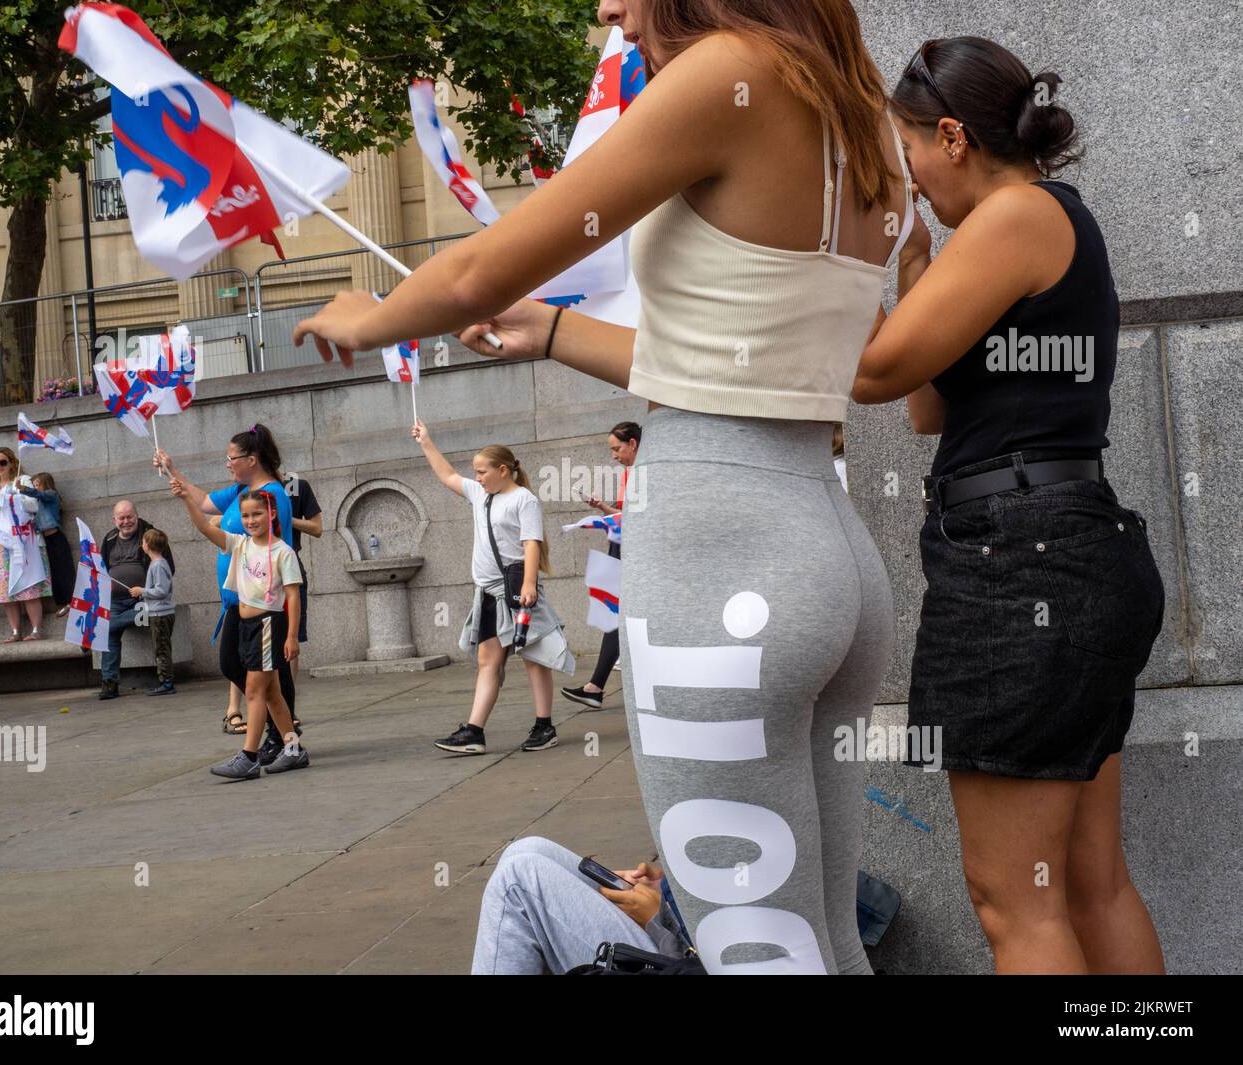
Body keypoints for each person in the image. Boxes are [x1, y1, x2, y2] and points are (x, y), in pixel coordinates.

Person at [294, 0, 908, 974]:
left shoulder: (723, 77)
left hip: (718, 555)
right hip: (825, 553)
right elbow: (743, 361)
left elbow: (475, 269)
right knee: (823, 944)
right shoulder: (860, 111)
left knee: (757, 954)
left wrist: (368, 315)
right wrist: (550, 331)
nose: (607, 9)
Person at [852, 37, 1165, 974]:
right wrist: (912, 263)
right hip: (1068, 556)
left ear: (952, 135)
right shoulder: (1044, 221)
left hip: (1017, 565)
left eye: (910, 152)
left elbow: (871, 371)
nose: (910, 178)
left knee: (1014, 904)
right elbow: (924, 408)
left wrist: (822, 263)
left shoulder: (1015, 216)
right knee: (1087, 881)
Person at [411, 419, 576, 755]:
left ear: (503, 470)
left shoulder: (523, 499)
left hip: (516, 591)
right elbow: (447, 476)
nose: (477, 477)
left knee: (535, 657)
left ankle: (544, 727)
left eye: (483, 471)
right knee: (489, 661)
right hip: (487, 594)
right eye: (476, 472)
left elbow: (532, 544)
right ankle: (474, 731)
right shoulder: (480, 495)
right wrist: (426, 441)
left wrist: (530, 584)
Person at [155, 424, 296, 757]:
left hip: (263, 604)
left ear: (251, 459)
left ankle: (274, 740)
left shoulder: (270, 495)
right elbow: (204, 505)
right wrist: (172, 471)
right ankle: (285, 733)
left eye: (231, 458)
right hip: (237, 600)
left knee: (264, 676)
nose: (227, 464)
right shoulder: (240, 492)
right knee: (241, 668)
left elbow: (272, 550)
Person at [174, 480, 309, 779]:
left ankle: (248, 757)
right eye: (246, 516)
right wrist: (187, 498)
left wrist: (290, 636)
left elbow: (293, 597)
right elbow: (206, 529)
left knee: (253, 691)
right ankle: (293, 749)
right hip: (247, 624)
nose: (251, 521)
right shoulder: (240, 544)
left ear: (271, 514)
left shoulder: (282, 552)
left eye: (257, 514)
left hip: (268, 625)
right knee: (272, 693)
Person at [472, 836, 688, 975]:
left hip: (683, 960)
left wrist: (659, 920)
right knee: (527, 848)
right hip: (681, 931)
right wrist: (667, 891)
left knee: (517, 877)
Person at [561, 421, 639, 710]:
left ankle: (595, 687)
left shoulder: (644, 472)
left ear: (633, 443)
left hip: (632, 554)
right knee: (615, 616)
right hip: (624, 549)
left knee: (617, 616)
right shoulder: (632, 472)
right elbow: (626, 516)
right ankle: (595, 686)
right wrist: (602, 510)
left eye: (617, 448)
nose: (614, 456)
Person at [98, 500, 175, 700]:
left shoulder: (150, 535)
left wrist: (144, 590)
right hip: (116, 600)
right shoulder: (109, 539)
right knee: (109, 635)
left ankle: (102, 628)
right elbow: (102, 569)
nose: (126, 521)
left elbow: (168, 568)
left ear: (137, 515)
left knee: (109, 626)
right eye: (121, 518)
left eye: (129, 517)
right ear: (114, 519)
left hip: (144, 600)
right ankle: (110, 682)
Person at [0, 446, 50, 642]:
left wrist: (8, 496)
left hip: (23, 541)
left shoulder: (22, 481)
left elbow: (33, 505)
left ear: (12, 462)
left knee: (29, 588)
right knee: (4, 590)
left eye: (3, 462)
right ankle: (15, 632)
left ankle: (36, 630)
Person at [129, 528, 177, 696]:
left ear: (147, 546)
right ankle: (166, 681)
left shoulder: (157, 565)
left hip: (161, 614)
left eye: (143, 541)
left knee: (161, 649)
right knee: (162, 647)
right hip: (161, 612)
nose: (142, 544)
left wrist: (142, 591)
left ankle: (167, 682)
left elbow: (161, 591)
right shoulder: (159, 564)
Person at [286, 475, 324, 683]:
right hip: (255, 568)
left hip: (290, 564)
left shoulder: (296, 487)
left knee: (291, 638)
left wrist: (286, 518)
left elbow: (317, 528)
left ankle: (288, 705)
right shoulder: (244, 488)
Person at [21, 472, 74, 617]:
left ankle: (72, 600)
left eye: (38, 484)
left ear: (45, 483)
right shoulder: (38, 502)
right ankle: (64, 602)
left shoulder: (51, 494)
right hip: (46, 539)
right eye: (34, 484)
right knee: (55, 572)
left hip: (56, 537)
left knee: (65, 571)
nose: (36, 487)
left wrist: (25, 489)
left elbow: (41, 495)